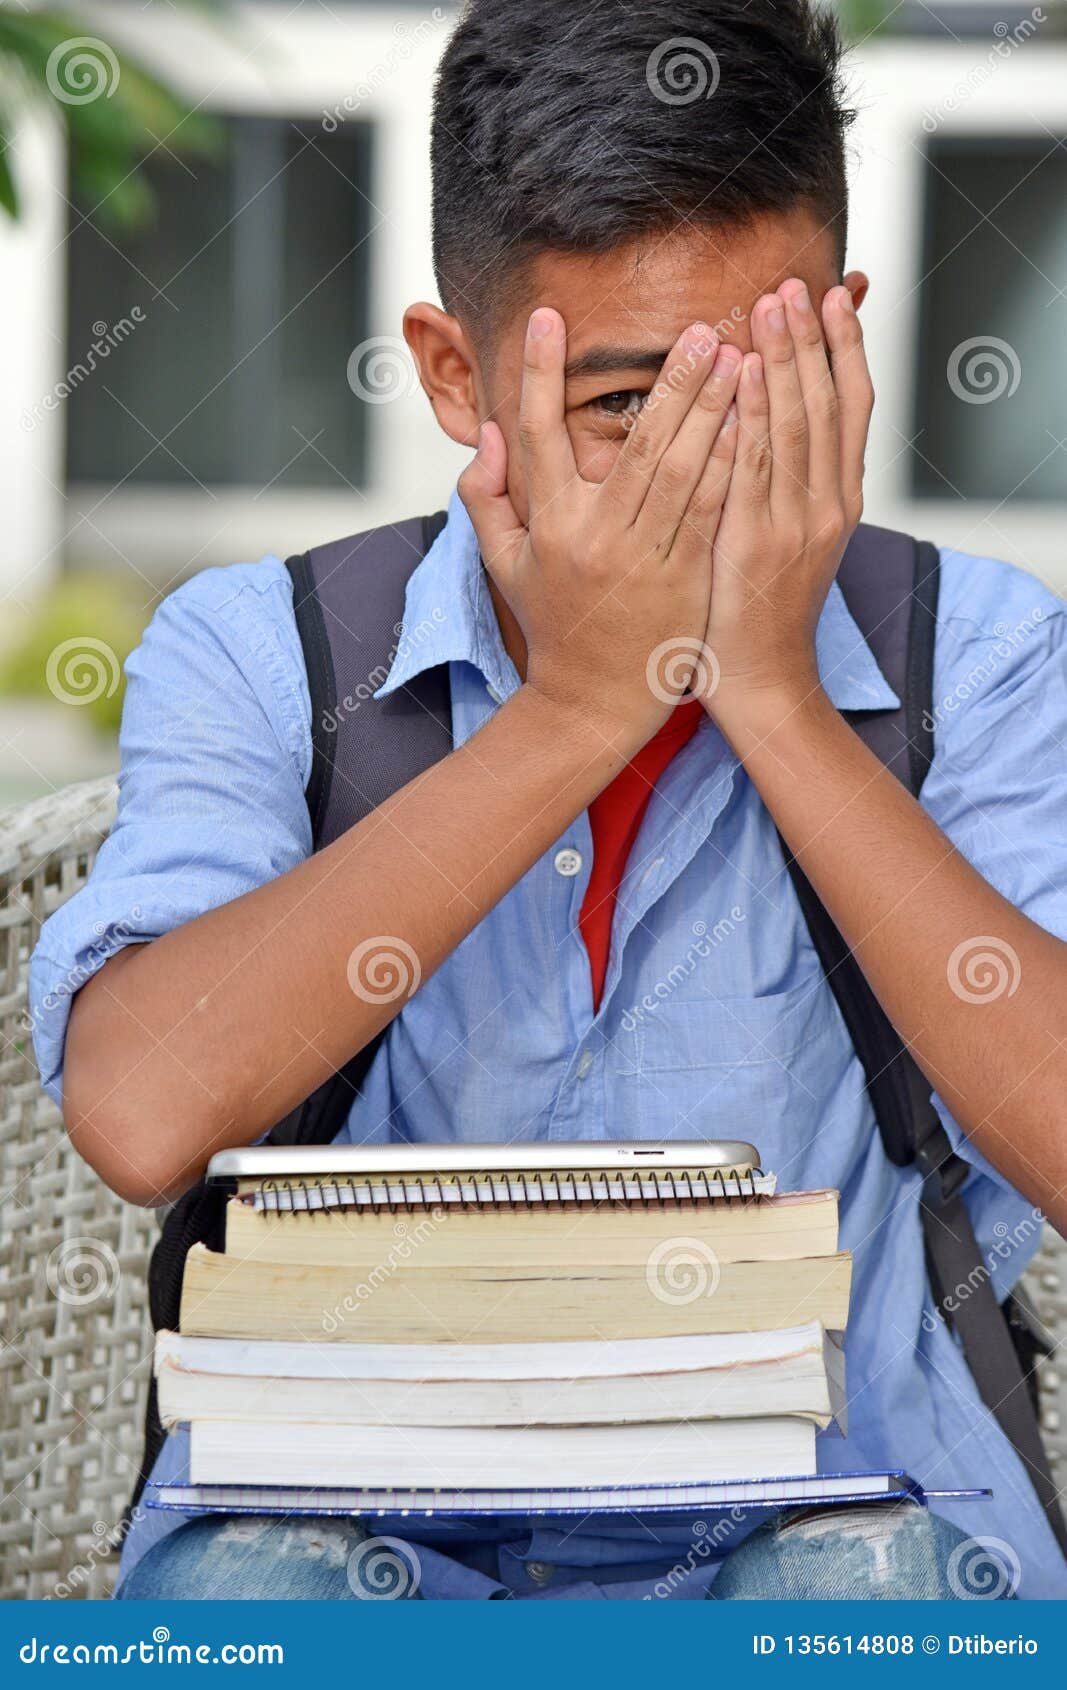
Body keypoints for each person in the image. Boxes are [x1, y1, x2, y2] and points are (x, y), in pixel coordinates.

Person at [30, 0, 1067, 1600]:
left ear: (845, 342)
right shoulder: (269, 651)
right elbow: (142, 1109)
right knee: (242, 1606)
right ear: (457, 374)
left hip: (844, 1518)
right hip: (355, 1528)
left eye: (763, 391)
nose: (700, 476)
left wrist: (779, 698)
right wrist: (576, 710)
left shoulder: (978, 658)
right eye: (629, 409)